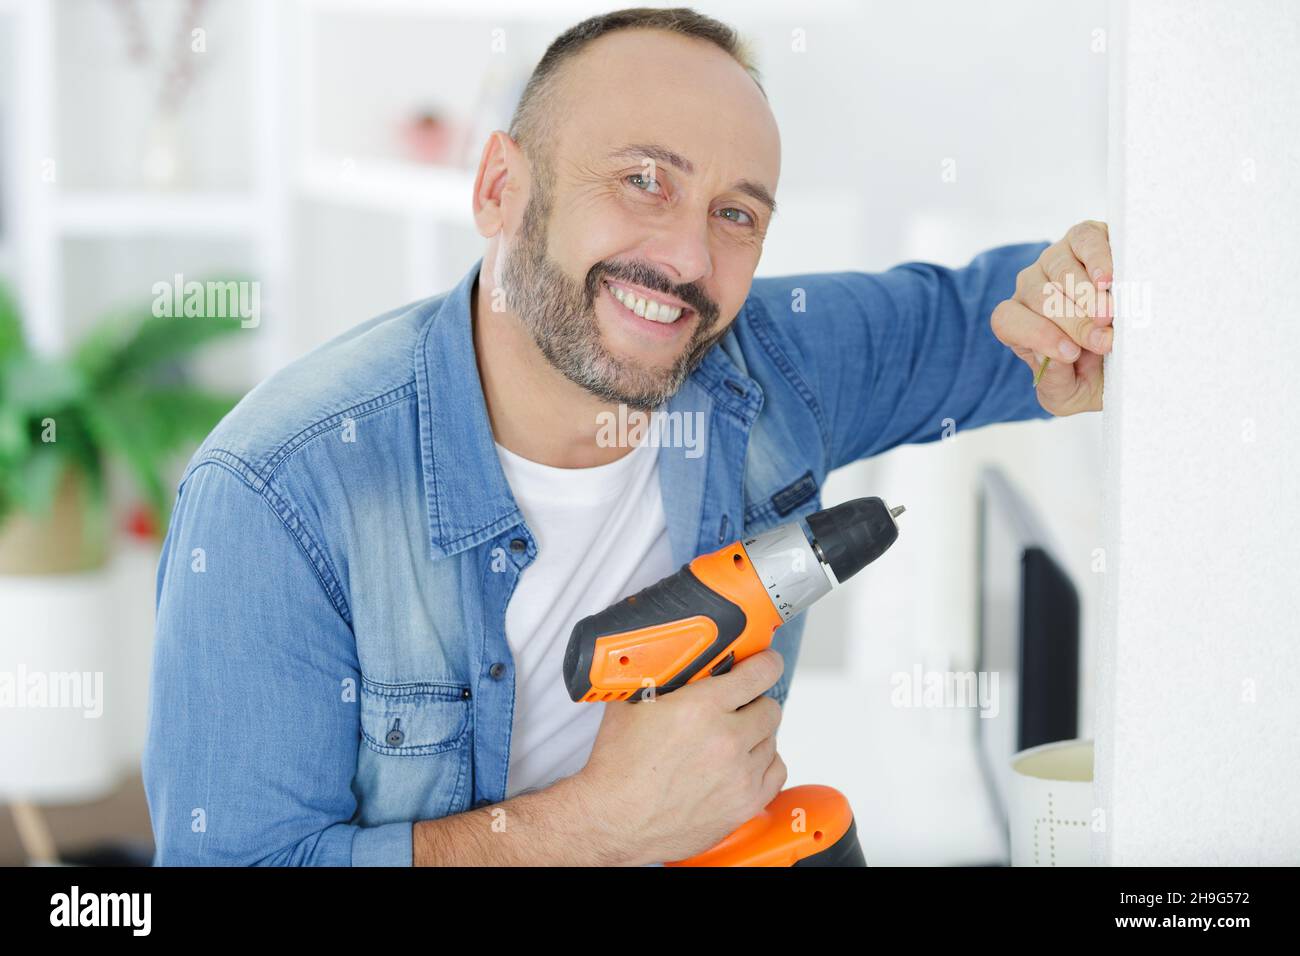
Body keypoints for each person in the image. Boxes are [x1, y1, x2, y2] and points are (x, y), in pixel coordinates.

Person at [143, 7, 1114, 866]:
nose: (689, 257)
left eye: (735, 213)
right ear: (498, 189)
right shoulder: (276, 495)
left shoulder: (773, 361)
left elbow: (995, 321)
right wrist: (595, 828)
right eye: (643, 179)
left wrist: (1083, 294)